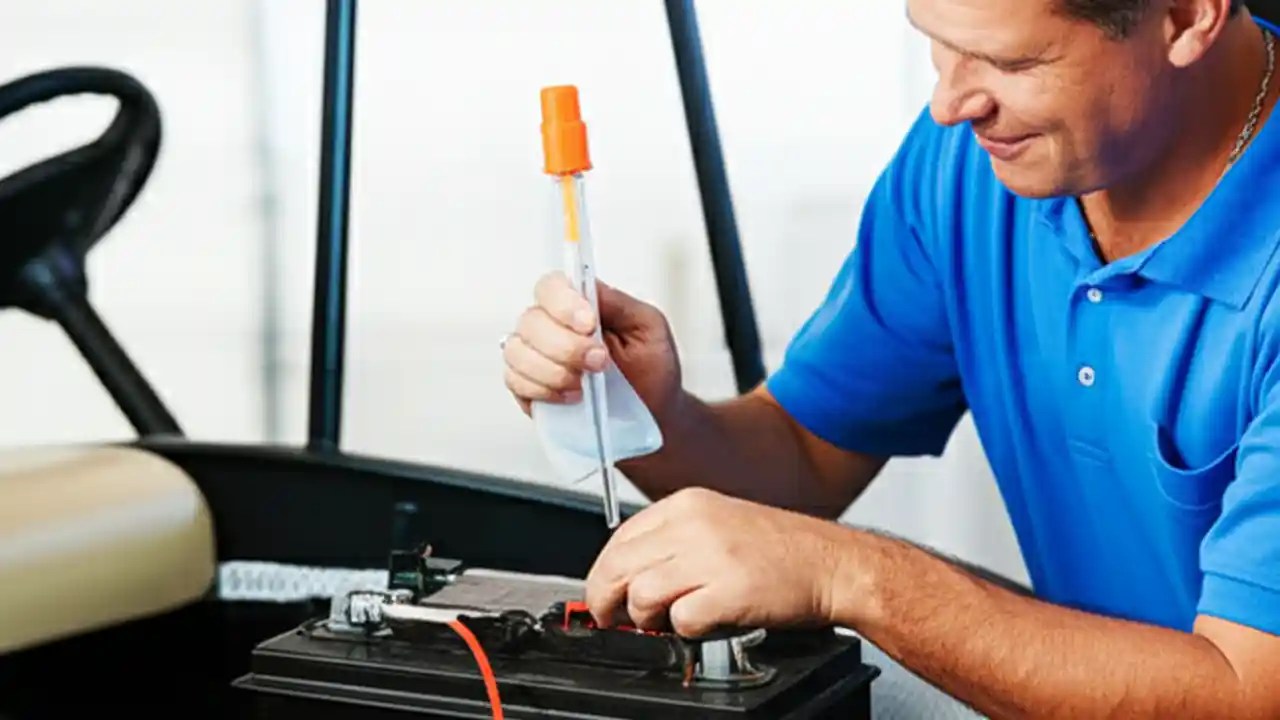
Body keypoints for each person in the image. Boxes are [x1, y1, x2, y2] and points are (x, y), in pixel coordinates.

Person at [502, 0, 1280, 716]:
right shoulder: (977, 159)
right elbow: (803, 456)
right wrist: (650, 414)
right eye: (935, 45)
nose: (949, 104)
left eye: (1010, 64)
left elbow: (1247, 695)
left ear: (1184, 15)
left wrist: (849, 576)